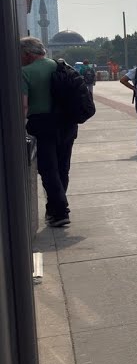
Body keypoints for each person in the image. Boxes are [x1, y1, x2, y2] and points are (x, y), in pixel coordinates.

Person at [19, 37, 76, 227]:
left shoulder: (24, 72)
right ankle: (54, 209)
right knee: (62, 168)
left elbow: (24, 105)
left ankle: (60, 211)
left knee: (48, 169)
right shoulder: (61, 66)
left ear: (27, 54)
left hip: (42, 124)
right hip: (67, 123)